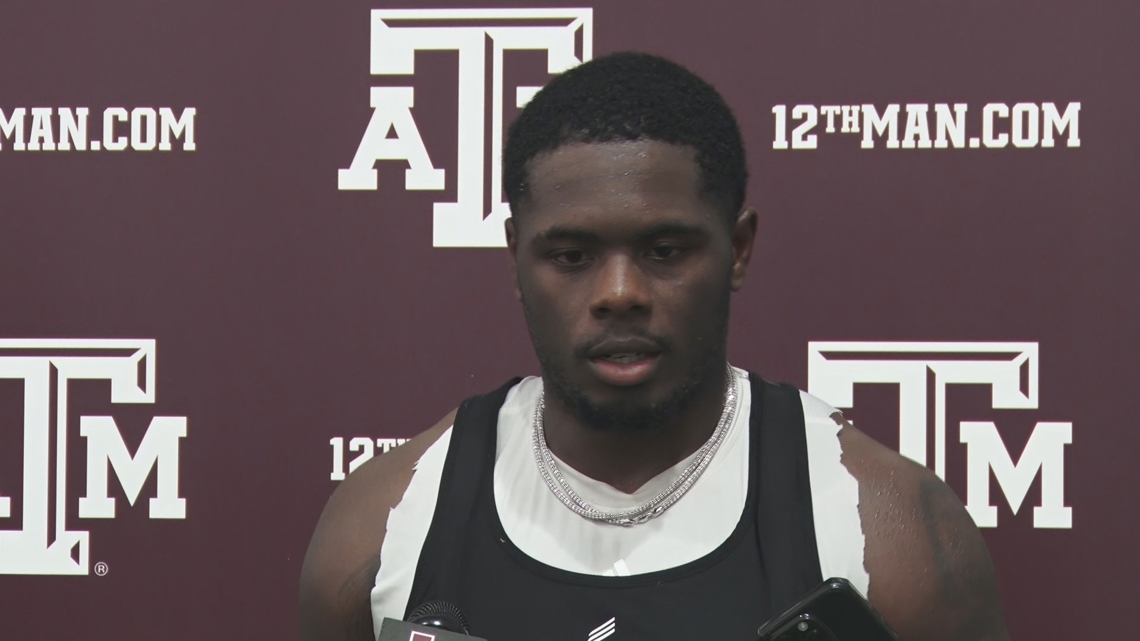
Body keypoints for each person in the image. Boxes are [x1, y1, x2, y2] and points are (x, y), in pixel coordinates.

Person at [300, 52, 1010, 641]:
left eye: (665, 249)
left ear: (737, 248)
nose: (619, 292)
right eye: (572, 255)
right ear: (516, 256)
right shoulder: (387, 525)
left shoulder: (887, 535)